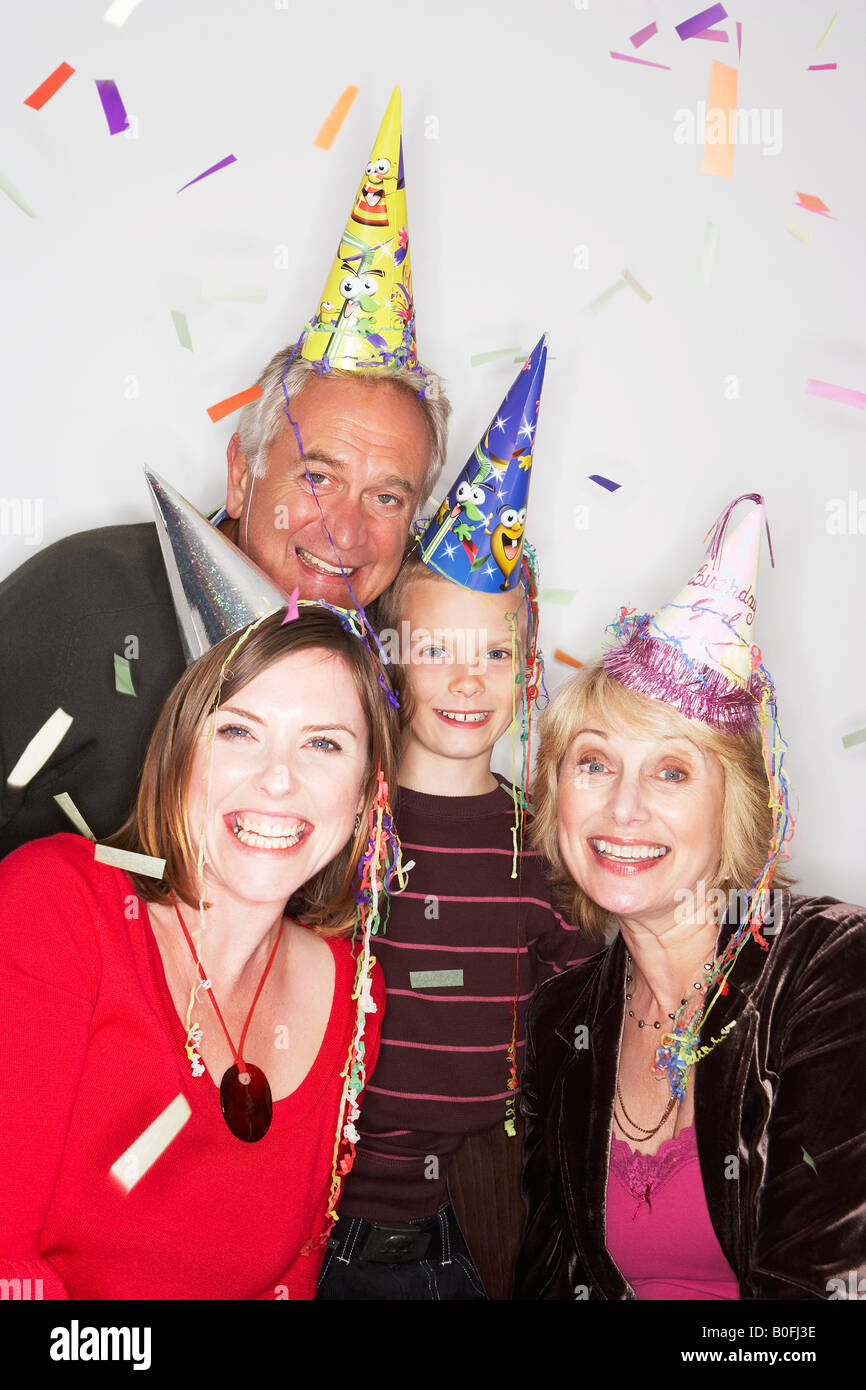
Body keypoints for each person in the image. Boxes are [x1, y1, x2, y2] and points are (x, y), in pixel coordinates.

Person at [0, 87, 449, 857]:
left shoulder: (403, 677)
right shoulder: (79, 599)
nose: (345, 529)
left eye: (386, 495)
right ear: (242, 475)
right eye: (317, 476)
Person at [0, 553, 405, 1299]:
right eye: (238, 731)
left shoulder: (357, 994)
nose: (277, 778)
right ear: (180, 748)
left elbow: (292, 1273)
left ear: (367, 794)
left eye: (323, 743)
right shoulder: (55, 906)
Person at [515, 495, 866, 1300]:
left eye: (672, 772)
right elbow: (551, 1278)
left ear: (734, 807)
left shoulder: (830, 971)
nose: (623, 809)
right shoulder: (562, 1017)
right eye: (594, 763)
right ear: (555, 796)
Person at [317, 341, 596, 1302]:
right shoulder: (339, 810)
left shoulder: (543, 848)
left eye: (493, 652)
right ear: (391, 656)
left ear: (526, 667)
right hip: (304, 1216)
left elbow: (578, 1027)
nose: (467, 679)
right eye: (437, 648)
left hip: (461, 1226)